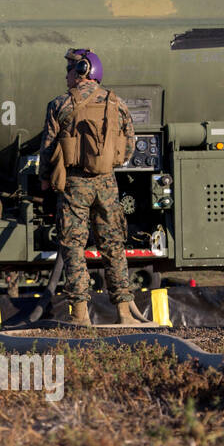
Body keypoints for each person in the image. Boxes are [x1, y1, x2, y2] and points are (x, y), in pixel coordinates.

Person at [39, 48, 152, 327]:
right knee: (113, 245)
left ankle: (79, 315)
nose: (66, 76)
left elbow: (48, 149)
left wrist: (45, 179)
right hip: (107, 183)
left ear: (82, 70)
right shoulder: (117, 103)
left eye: (69, 70)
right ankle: (125, 313)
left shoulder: (59, 105)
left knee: (73, 246)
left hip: (74, 183)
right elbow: (128, 147)